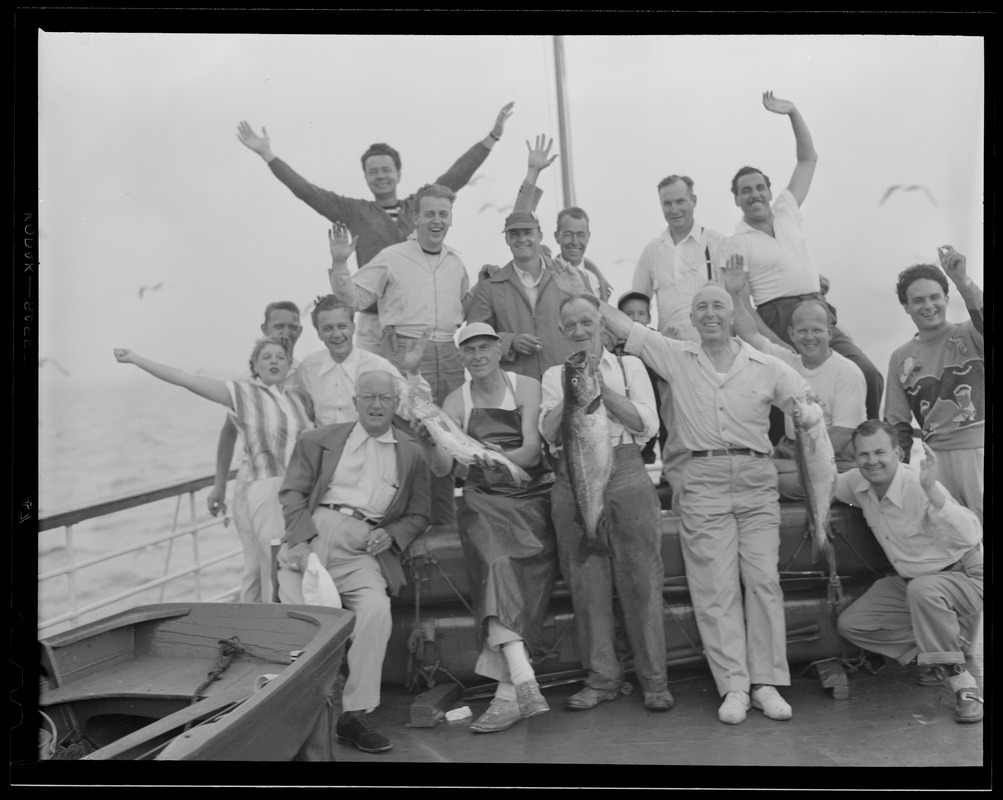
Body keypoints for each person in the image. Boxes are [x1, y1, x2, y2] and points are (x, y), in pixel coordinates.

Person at [599, 284, 810, 725]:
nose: (710, 313)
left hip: (756, 481)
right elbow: (624, 326)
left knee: (762, 581)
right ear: (691, 320)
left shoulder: (766, 365)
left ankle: (766, 683)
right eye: (701, 308)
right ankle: (734, 685)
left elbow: (807, 403)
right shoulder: (676, 355)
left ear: (732, 315)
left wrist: (812, 417)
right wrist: (579, 286)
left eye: (718, 306)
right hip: (703, 482)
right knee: (715, 588)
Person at [235, 104, 513, 352]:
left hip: (414, 323)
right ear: (366, 177)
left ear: (398, 174)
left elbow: (456, 176)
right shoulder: (354, 212)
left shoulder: (418, 206)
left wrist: (492, 136)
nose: (381, 176)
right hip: (372, 322)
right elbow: (305, 191)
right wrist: (267, 154)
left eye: (386, 170)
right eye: (373, 172)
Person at [276, 371, 431, 754]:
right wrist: (299, 541)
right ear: (355, 401)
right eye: (369, 397)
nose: (377, 405)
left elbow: (420, 514)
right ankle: (298, 715)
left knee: (376, 610)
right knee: (299, 620)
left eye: (385, 398)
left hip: (362, 549)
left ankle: (354, 715)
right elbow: (293, 491)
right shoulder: (318, 440)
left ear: (397, 404)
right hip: (312, 537)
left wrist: (393, 534)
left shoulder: (411, 452)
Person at [417, 322, 557, 734]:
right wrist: (429, 442)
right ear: (460, 358)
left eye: (484, 347)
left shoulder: (527, 386)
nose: (477, 355)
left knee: (513, 564)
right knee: (495, 561)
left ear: (499, 351)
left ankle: (510, 693)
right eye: (469, 350)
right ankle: (522, 677)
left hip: (530, 492)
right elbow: (447, 467)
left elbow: (532, 450)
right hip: (481, 498)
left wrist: (501, 457)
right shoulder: (453, 401)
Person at [539, 295, 674, 714]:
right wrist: (575, 386)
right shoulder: (553, 375)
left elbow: (646, 424)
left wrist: (600, 386)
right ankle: (602, 679)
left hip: (628, 471)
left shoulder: (631, 367)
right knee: (587, 584)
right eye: (571, 326)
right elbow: (548, 432)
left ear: (602, 324)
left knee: (642, 581)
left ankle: (654, 680)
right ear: (562, 332)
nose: (580, 331)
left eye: (587, 322)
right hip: (576, 475)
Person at [114, 337, 314, 605]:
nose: (274, 360)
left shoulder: (298, 399)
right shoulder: (243, 395)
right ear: (254, 365)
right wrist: (135, 358)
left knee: (301, 565)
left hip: (301, 493)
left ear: (290, 364)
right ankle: (279, 634)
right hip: (268, 491)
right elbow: (185, 379)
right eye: (266, 357)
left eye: (280, 356)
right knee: (273, 568)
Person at [722, 91, 884, 422]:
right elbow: (741, 304)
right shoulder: (735, 242)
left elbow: (808, 159)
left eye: (759, 187)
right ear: (737, 199)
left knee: (865, 372)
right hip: (776, 318)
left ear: (769, 190)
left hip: (817, 310)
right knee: (793, 392)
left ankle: (864, 441)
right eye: (745, 190)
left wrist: (793, 112)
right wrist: (772, 339)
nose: (754, 194)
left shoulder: (786, 208)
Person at [833, 421, 983, 723]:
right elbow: (818, 479)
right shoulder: (857, 483)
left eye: (879, 452)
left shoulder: (920, 485)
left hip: (966, 574)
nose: (872, 461)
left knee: (923, 589)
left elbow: (971, 534)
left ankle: (964, 685)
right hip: (913, 582)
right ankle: (943, 650)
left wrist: (932, 490)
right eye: (863, 455)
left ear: (898, 452)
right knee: (853, 623)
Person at [721, 263, 866, 500]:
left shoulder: (847, 373)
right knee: (743, 475)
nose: (809, 337)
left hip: (834, 458)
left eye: (817, 330)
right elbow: (750, 335)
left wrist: (789, 465)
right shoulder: (788, 363)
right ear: (791, 334)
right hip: (791, 451)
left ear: (830, 333)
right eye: (802, 331)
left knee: (776, 482)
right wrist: (735, 294)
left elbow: (840, 438)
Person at [465, 136, 600, 381]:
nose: (521, 239)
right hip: (516, 385)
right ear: (506, 239)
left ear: (540, 235)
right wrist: (509, 341)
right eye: (514, 234)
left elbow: (595, 322)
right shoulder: (491, 285)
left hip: (566, 381)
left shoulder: (567, 277)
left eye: (528, 233)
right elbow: (475, 335)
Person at [631, 174, 728, 499]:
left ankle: (720, 501)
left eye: (680, 201)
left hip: (718, 355)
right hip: (674, 360)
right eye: (667, 203)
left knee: (722, 429)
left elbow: (737, 302)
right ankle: (682, 504)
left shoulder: (717, 243)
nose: (674, 209)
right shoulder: (653, 251)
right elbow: (637, 305)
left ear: (694, 201)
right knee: (677, 437)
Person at [206, 301, 304, 603]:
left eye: (292, 327)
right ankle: (249, 630)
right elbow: (228, 434)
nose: (286, 333)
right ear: (264, 329)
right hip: (255, 481)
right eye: (279, 326)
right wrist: (219, 484)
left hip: (295, 480)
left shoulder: (302, 373)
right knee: (256, 564)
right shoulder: (247, 378)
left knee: (289, 560)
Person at [884, 245, 984, 523]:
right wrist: (898, 476)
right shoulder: (900, 358)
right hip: (934, 459)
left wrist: (963, 282)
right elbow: (897, 424)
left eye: (934, 297)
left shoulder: (971, 334)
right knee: (954, 536)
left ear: (946, 298)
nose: (928, 305)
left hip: (978, 452)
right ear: (906, 306)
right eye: (918, 300)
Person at [295, 294, 430, 427]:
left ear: (353, 327)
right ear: (319, 333)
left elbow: (412, 412)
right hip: (324, 446)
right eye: (328, 328)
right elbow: (301, 414)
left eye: (342, 326)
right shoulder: (308, 367)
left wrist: (413, 372)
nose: (336, 334)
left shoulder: (378, 366)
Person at [611, 292, 668, 467]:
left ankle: (667, 470)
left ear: (650, 317)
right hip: (633, 399)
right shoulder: (616, 345)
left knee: (664, 429)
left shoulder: (656, 340)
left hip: (657, 394)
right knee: (639, 430)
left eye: (641, 313)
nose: (635, 318)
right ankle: (640, 464)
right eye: (629, 314)